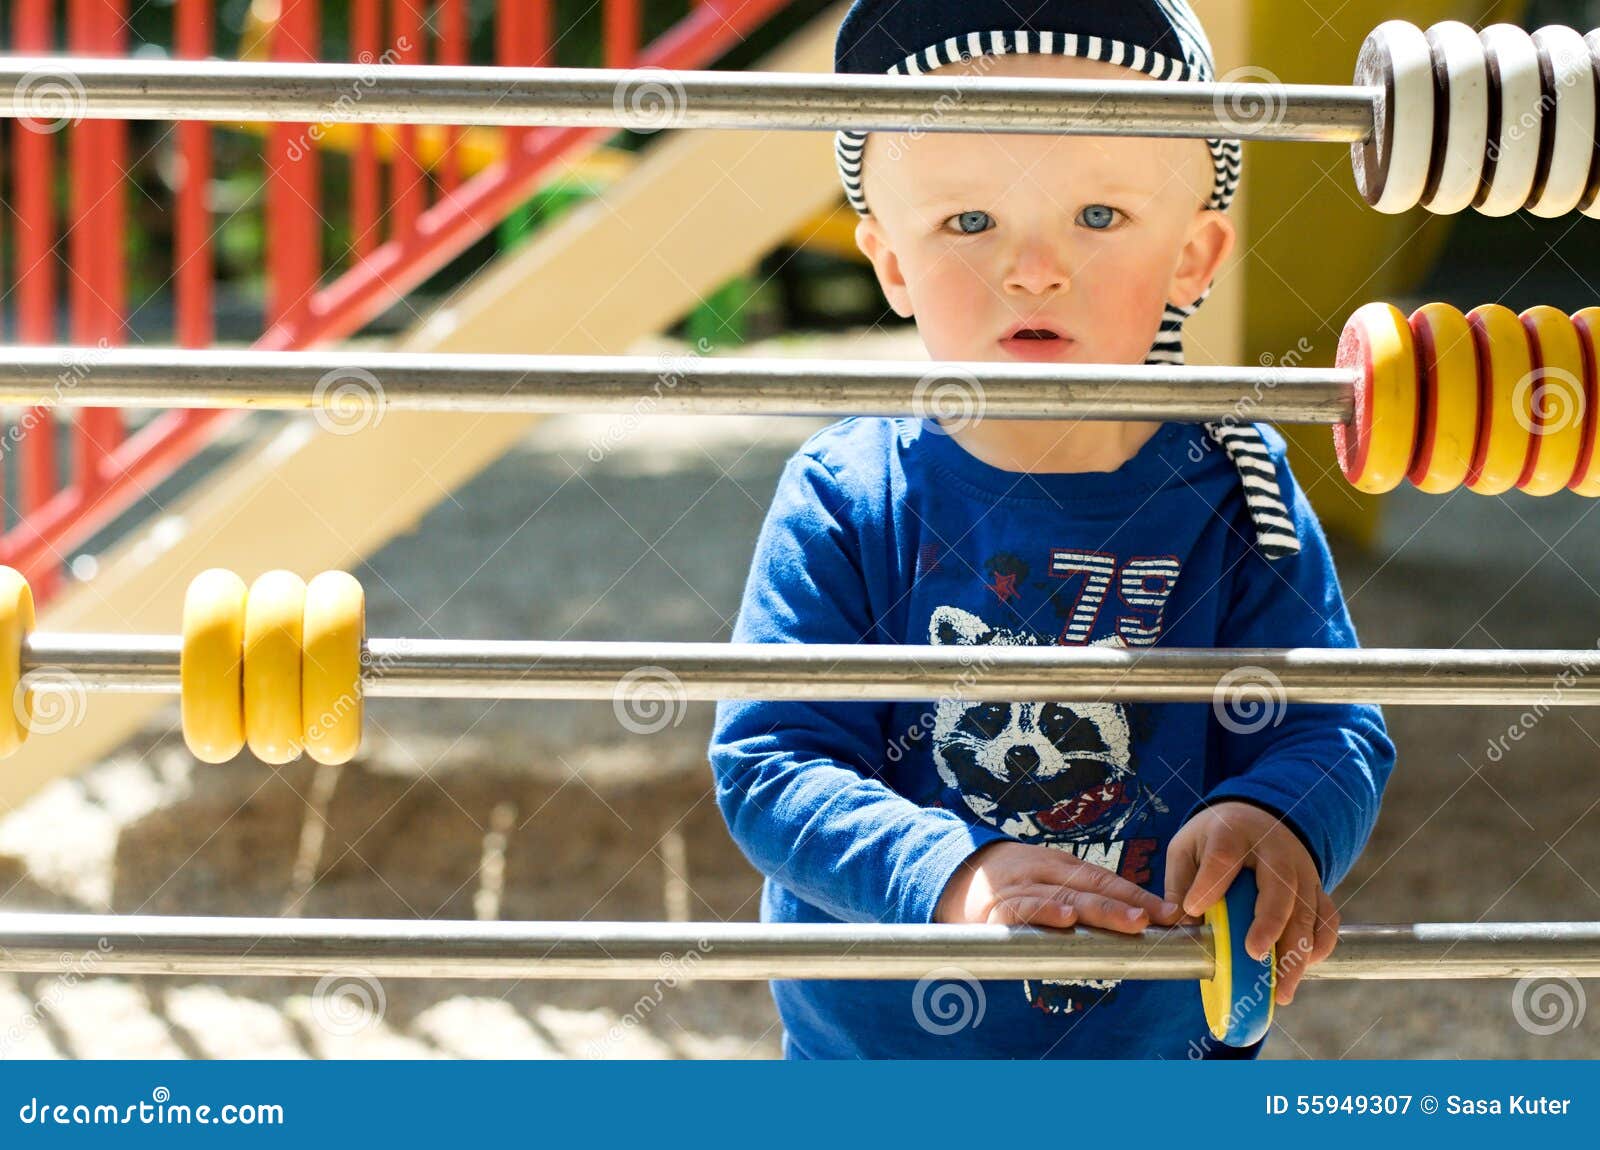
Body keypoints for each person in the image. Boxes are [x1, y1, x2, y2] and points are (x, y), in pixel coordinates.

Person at [706, 0, 1396, 1059]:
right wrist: (943, 867)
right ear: (889, 263)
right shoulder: (849, 496)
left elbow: (1330, 724)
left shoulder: (1233, 485)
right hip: (884, 1067)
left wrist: (1280, 814)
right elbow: (771, 759)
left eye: (1099, 216)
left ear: (1193, 255)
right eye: (969, 222)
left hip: (1159, 1056)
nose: (1032, 267)